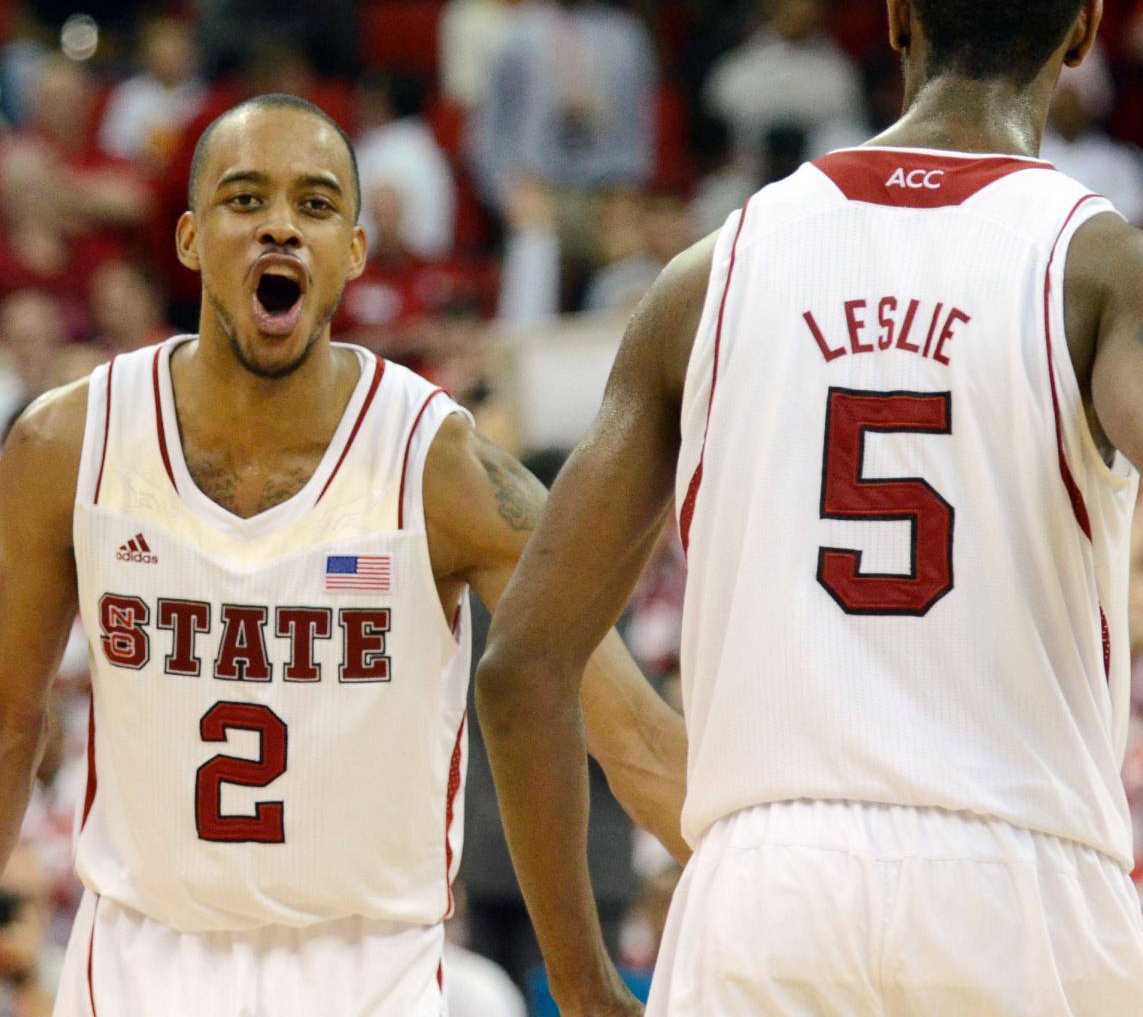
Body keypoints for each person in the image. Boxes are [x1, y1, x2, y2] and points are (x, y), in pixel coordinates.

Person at [477, 0, 1143, 1016]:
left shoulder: (708, 276)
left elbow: (522, 667)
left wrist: (586, 986)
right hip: (1021, 885)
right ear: (1086, 32)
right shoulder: (1105, 271)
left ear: (895, 8)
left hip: (763, 892)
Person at [0, 93, 687, 1016]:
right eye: (245, 200)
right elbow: (8, 723)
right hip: (134, 964)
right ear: (191, 238)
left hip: (364, 974)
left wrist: (786, 881)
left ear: (353, 253)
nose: (280, 226)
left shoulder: (436, 467)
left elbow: (635, 741)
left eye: (315, 205)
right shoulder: (67, 446)